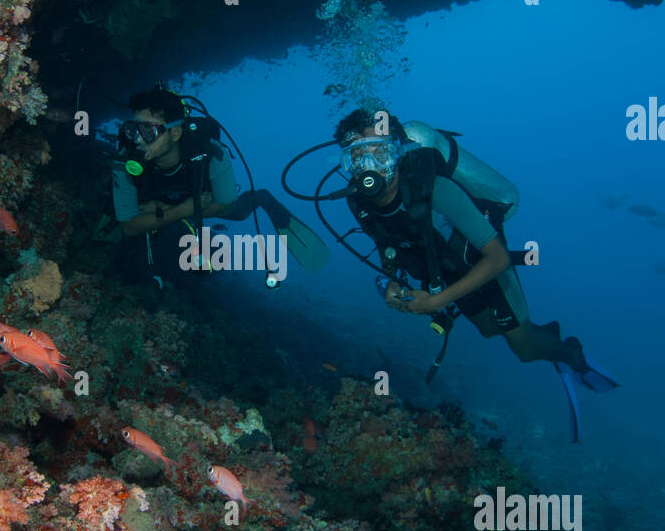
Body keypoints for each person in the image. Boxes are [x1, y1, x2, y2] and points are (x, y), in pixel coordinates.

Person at [335, 109, 617, 400]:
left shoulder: (434, 189)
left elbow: (498, 258)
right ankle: (538, 330)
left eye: (379, 154)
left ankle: (567, 351)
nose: (370, 167)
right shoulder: (358, 202)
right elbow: (386, 242)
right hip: (447, 264)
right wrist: (392, 279)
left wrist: (436, 300)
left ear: (397, 153)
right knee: (487, 329)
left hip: (480, 257)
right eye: (357, 157)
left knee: (524, 350)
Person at [110, 87, 329, 285]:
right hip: (186, 205)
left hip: (206, 201)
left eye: (148, 132)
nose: (137, 140)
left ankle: (263, 199)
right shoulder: (124, 163)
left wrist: (166, 210)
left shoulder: (212, 153)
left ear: (175, 133)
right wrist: (181, 211)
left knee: (240, 212)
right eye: (132, 130)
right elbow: (128, 227)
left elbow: (225, 206)